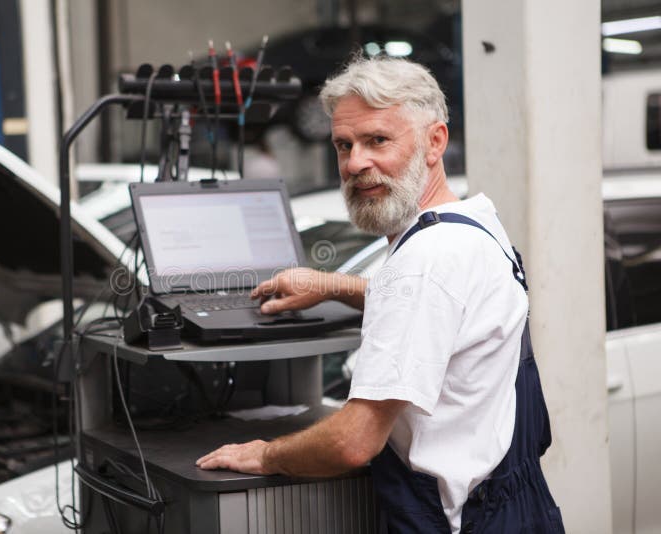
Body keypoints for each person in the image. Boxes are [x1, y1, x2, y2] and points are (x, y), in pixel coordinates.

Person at [196, 56, 564, 533]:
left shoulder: (424, 262)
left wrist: (267, 454)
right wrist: (329, 284)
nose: (355, 163)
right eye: (343, 145)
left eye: (377, 141)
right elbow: (438, 309)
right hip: (519, 507)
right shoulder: (474, 223)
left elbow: (353, 442)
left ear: (435, 142)